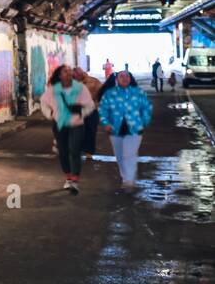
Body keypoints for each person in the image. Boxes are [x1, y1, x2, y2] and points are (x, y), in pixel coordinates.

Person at [39, 64, 96, 194]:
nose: (69, 73)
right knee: (63, 152)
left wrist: (82, 112)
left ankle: (75, 180)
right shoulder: (53, 90)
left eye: (70, 71)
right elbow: (44, 103)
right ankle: (68, 177)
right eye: (65, 71)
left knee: (74, 151)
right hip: (60, 125)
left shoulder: (80, 88)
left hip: (77, 124)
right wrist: (50, 115)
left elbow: (90, 105)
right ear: (59, 75)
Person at [98, 69, 153, 189]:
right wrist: (106, 123)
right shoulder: (110, 93)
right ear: (117, 79)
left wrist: (144, 122)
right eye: (121, 76)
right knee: (119, 156)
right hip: (115, 129)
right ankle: (125, 177)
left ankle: (129, 180)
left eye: (127, 76)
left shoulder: (138, 92)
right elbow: (102, 110)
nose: (124, 78)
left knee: (130, 154)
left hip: (134, 128)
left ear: (130, 78)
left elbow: (147, 108)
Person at [72, 67, 103, 160]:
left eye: (75, 75)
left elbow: (102, 94)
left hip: (91, 110)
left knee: (90, 131)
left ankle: (89, 152)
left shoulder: (94, 82)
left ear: (81, 74)